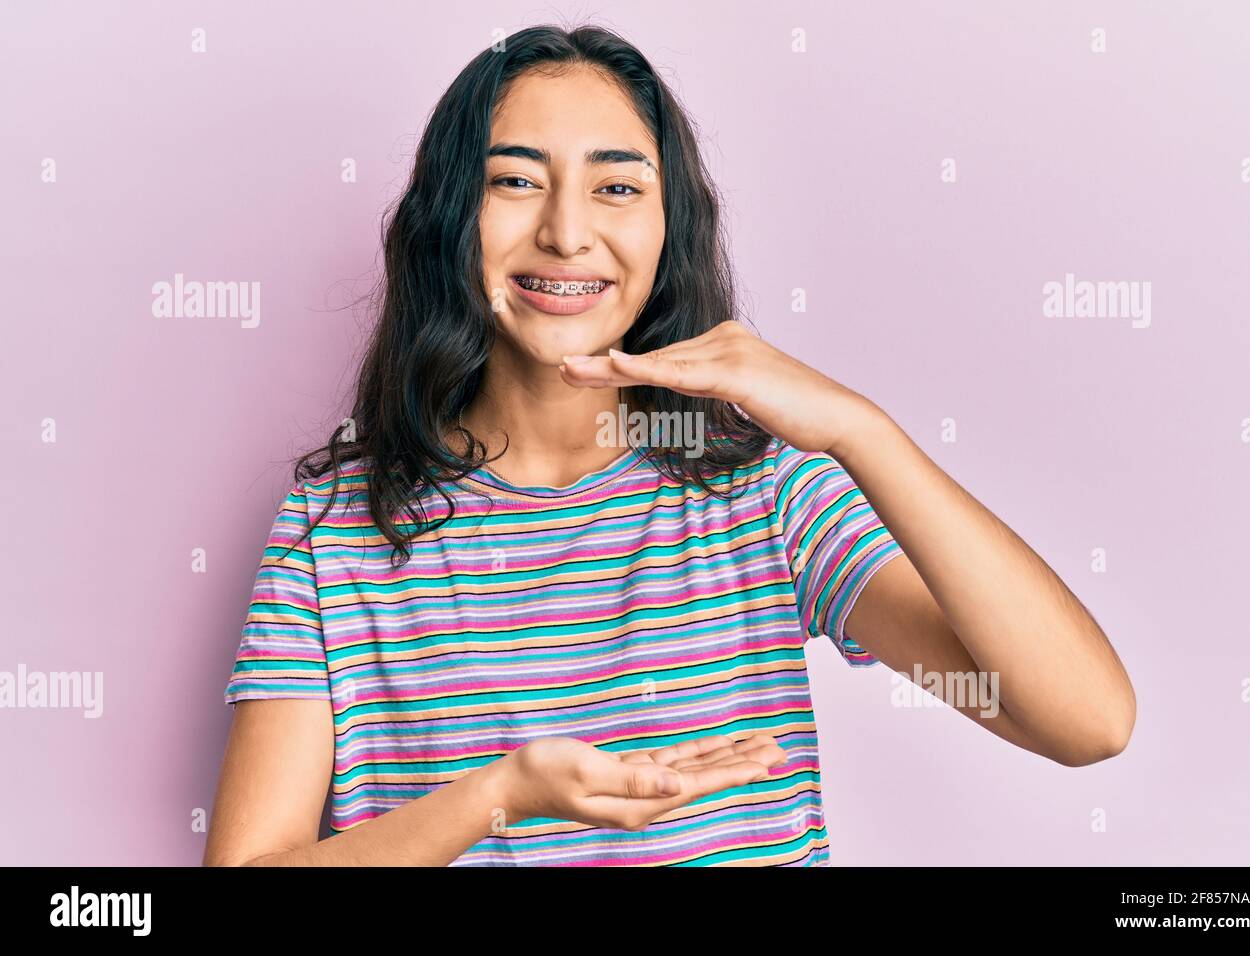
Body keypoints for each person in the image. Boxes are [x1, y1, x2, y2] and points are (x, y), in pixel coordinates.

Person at [204, 23, 1136, 867]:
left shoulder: (766, 491)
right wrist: (498, 797)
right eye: (516, 181)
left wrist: (861, 430)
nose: (568, 233)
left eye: (616, 187)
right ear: (451, 217)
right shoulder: (335, 527)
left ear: (668, 227)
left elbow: (1087, 722)